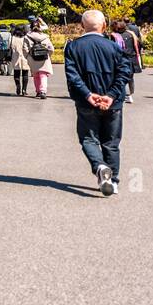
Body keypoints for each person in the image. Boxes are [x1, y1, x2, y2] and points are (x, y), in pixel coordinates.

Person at [64, 10, 132, 196]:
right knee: (111, 142)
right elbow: (125, 72)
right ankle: (113, 179)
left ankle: (100, 166)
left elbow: (72, 75)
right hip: (113, 103)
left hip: (87, 102)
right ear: (103, 25)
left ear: (81, 25)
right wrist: (110, 95)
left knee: (88, 138)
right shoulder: (114, 47)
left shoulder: (73, 47)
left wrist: (87, 94)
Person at [111, 19, 142, 103]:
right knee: (130, 78)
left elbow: (112, 48)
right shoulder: (131, 34)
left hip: (120, 59)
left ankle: (122, 94)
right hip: (132, 58)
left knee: (120, 77)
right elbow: (139, 45)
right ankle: (130, 95)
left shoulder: (114, 36)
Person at [22, 19, 54, 99]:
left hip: (32, 58)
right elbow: (51, 49)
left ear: (30, 27)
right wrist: (48, 55)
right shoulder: (45, 37)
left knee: (36, 75)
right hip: (44, 58)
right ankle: (43, 91)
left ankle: (38, 91)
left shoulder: (27, 37)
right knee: (43, 75)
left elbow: (25, 49)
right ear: (40, 27)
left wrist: (28, 57)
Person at [9, 23, 30, 96]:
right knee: (25, 74)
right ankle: (24, 90)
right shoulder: (26, 37)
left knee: (16, 73)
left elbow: (10, 47)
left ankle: (18, 86)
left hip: (15, 57)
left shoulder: (12, 37)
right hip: (25, 57)